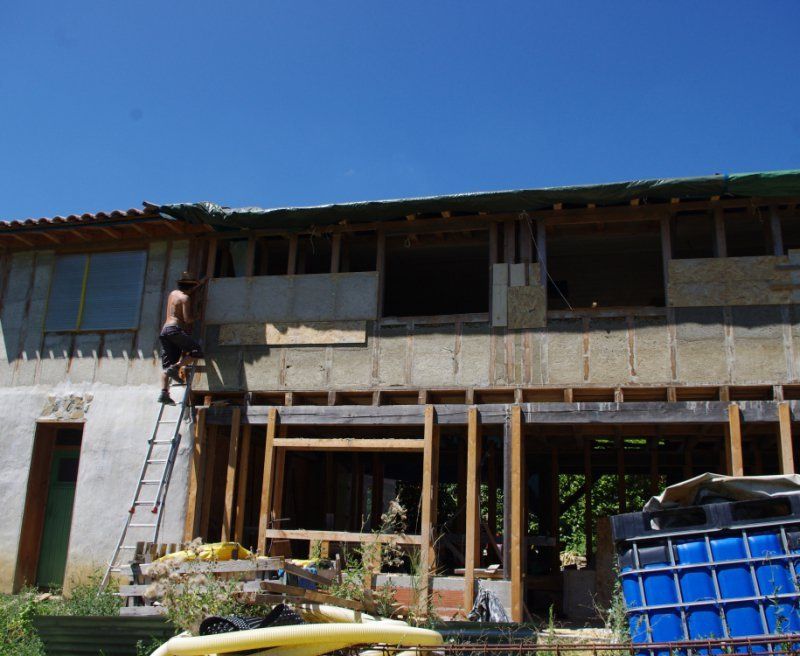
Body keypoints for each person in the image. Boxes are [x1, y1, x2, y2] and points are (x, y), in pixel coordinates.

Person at [158, 272, 204, 405]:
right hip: (175, 330)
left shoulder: (173, 293)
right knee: (197, 351)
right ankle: (177, 367)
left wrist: (200, 284)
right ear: (190, 288)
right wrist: (197, 316)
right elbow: (187, 319)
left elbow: (187, 292)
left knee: (166, 367)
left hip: (165, 330)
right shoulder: (186, 299)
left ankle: (164, 394)